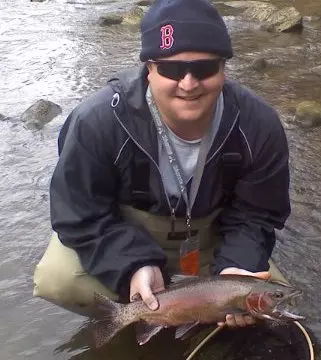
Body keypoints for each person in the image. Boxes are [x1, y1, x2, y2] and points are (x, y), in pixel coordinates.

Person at [41, 0, 291, 329]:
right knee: (55, 278)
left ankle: (191, 314)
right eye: (172, 70)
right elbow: (78, 214)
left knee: (276, 306)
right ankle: (133, 315)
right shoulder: (99, 121)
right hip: (127, 234)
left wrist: (236, 270)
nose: (188, 84)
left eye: (204, 69)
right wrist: (131, 265)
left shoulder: (258, 125)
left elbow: (257, 216)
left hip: (212, 242)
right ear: (148, 67)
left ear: (223, 68)